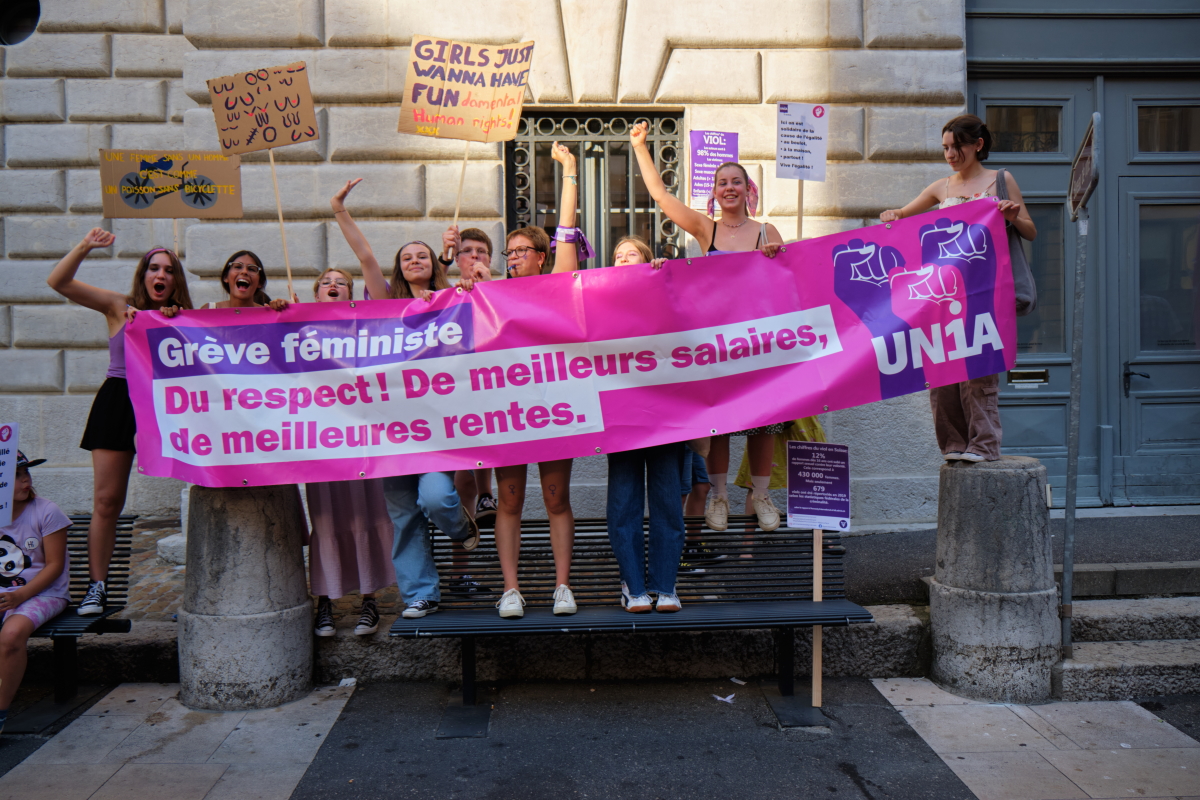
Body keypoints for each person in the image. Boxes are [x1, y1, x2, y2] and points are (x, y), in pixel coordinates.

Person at [330, 179, 480, 619]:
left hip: (436, 426)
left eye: (422, 256)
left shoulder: (451, 299)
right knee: (404, 517)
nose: (414, 260)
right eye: (406, 257)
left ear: (434, 265)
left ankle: (459, 527)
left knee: (436, 498)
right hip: (391, 429)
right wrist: (339, 208)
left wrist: (461, 283)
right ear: (399, 268)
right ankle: (421, 594)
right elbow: (365, 256)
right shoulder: (385, 303)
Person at [629, 121, 785, 535]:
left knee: (764, 422)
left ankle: (761, 494)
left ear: (747, 189)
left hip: (758, 342)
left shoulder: (766, 231)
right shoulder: (706, 228)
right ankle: (718, 496)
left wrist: (777, 255)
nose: (729, 188)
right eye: (722, 183)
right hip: (716, 344)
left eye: (736, 181)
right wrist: (640, 147)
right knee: (722, 423)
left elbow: (788, 283)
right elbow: (662, 197)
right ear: (714, 192)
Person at [458, 142, 582, 618]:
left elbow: (566, 228)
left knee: (557, 499)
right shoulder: (493, 294)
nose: (512, 258)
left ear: (542, 257)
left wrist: (569, 170)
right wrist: (467, 281)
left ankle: (562, 587)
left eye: (520, 251)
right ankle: (510, 589)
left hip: (554, 407)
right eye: (508, 252)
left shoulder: (559, 283)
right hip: (509, 411)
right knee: (509, 501)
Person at [46, 234, 193, 615]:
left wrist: (175, 323)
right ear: (143, 275)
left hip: (164, 404)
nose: (161, 275)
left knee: (200, 486)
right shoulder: (119, 307)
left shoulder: (184, 317)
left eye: (169, 270)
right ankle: (97, 587)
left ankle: (201, 588)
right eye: (154, 268)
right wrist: (85, 246)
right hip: (119, 399)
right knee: (107, 500)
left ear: (176, 280)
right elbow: (58, 282)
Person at [880, 114, 1036, 462]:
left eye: (957, 146)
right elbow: (902, 217)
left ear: (978, 145)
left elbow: (1030, 230)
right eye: (946, 148)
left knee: (979, 371)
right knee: (941, 370)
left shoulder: (1001, 180)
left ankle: (984, 445)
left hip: (987, 292)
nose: (950, 154)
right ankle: (953, 445)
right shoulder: (942, 187)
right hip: (945, 296)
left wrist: (1013, 217)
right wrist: (892, 216)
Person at [304, 268, 396, 637]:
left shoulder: (365, 328)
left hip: (362, 438)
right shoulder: (299, 329)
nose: (333, 285)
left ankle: (369, 600)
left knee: (365, 512)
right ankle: (325, 601)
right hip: (319, 441)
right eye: (326, 281)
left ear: (350, 293)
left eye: (340, 282)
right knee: (326, 519)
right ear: (316, 293)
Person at [604, 236, 687, 612]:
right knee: (624, 502)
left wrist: (665, 279)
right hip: (621, 416)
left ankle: (666, 586)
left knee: (667, 500)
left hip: (666, 414)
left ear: (648, 259)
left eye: (631, 254)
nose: (623, 259)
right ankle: (633, 586)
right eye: (617, 256)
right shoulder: (601, 300)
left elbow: (691, 314)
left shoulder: (665, 294)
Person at [0, 452, 72, 733]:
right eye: (15, 476)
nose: (25, 480)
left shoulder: (46, 511)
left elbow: (54, 566)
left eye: (26, 473)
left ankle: (1, 712)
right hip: (6, 595)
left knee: (11, 635)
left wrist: (20, 596)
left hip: (45, 593)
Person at [441, 227, 499, 528]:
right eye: (467, 251)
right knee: (460, 483)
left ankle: (486, 494)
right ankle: (462, 551)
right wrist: (444, 255)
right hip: (451, 391)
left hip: (490, 389)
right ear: (457, 258)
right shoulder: (444, 293)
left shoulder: (500, 291)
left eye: (482, 252)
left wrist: (486, 289)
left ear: (490, 260)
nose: (475, 256)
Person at [199, 250, 291, 310]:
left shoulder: (268, 315)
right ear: (226, 277)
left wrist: (292, 311)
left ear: (260, 282)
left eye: (251, 269)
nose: (244, 272)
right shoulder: (209, 310)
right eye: (238, 267)